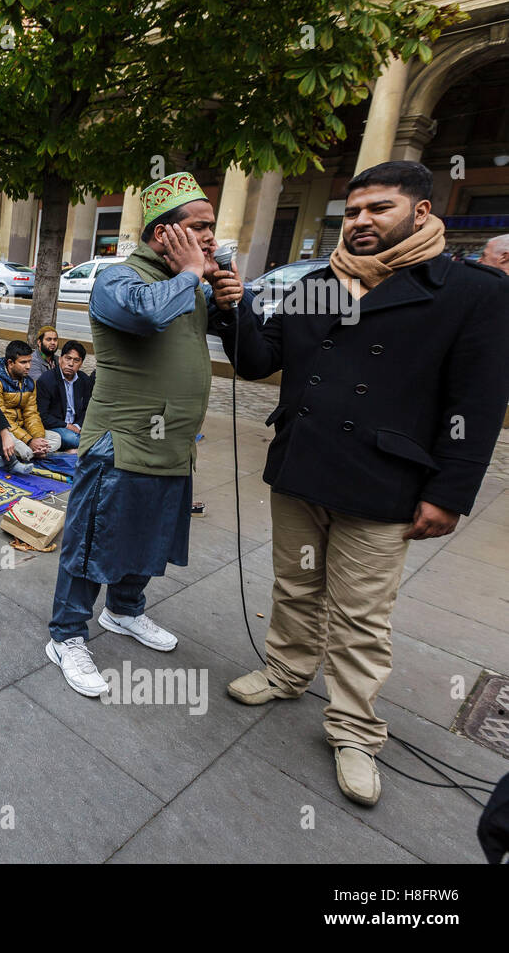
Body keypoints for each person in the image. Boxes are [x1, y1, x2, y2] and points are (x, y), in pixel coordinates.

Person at [215, 161, 509, 806]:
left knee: (360, 616)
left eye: (378, 208)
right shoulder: (319, 285)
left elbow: (476, 404)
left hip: (385, 483)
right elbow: (260, 358)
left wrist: (449, 493)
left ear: (422, 212)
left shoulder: (469, 291)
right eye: (352, 212)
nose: (361, 222)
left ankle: (353, 730)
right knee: (295, 583)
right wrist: (227, 307)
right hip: (301, 467)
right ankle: (287, 670)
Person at [45, 172, 230, 701]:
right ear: (163, 234)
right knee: (92, 544)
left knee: (150, 537)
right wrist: (194, 274)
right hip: (120, 445)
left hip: (172, 446)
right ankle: (67, 636)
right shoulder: (118, 280)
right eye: (201, 227)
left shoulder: (191, 282)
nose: (212, 238)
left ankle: (125, 610)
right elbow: (146, 316)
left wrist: (223, 296)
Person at [0, 340, 60, 474]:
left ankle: (6, 456)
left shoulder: (29, 382)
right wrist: (29, 440)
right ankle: (23, 453)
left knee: (56, 439)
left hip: (20, 430)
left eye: (30, 361)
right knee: (24, 450)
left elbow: (32, 414)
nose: (28, 367)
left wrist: (37, 438)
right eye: (23, 362)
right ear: (10, 363)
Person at [36, 340, 93, 450]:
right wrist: (67, 426)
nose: (71, 364)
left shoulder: (84, 380)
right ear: (61, 359)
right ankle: (79, 449)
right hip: (56, 426)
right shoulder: (47, 380)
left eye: (76, 360)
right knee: (73, 439)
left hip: (77, 426)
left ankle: (78, 449)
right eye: (68, 358)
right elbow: (42, 415)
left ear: (81, 363)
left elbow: (88, 409)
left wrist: (77, 426)